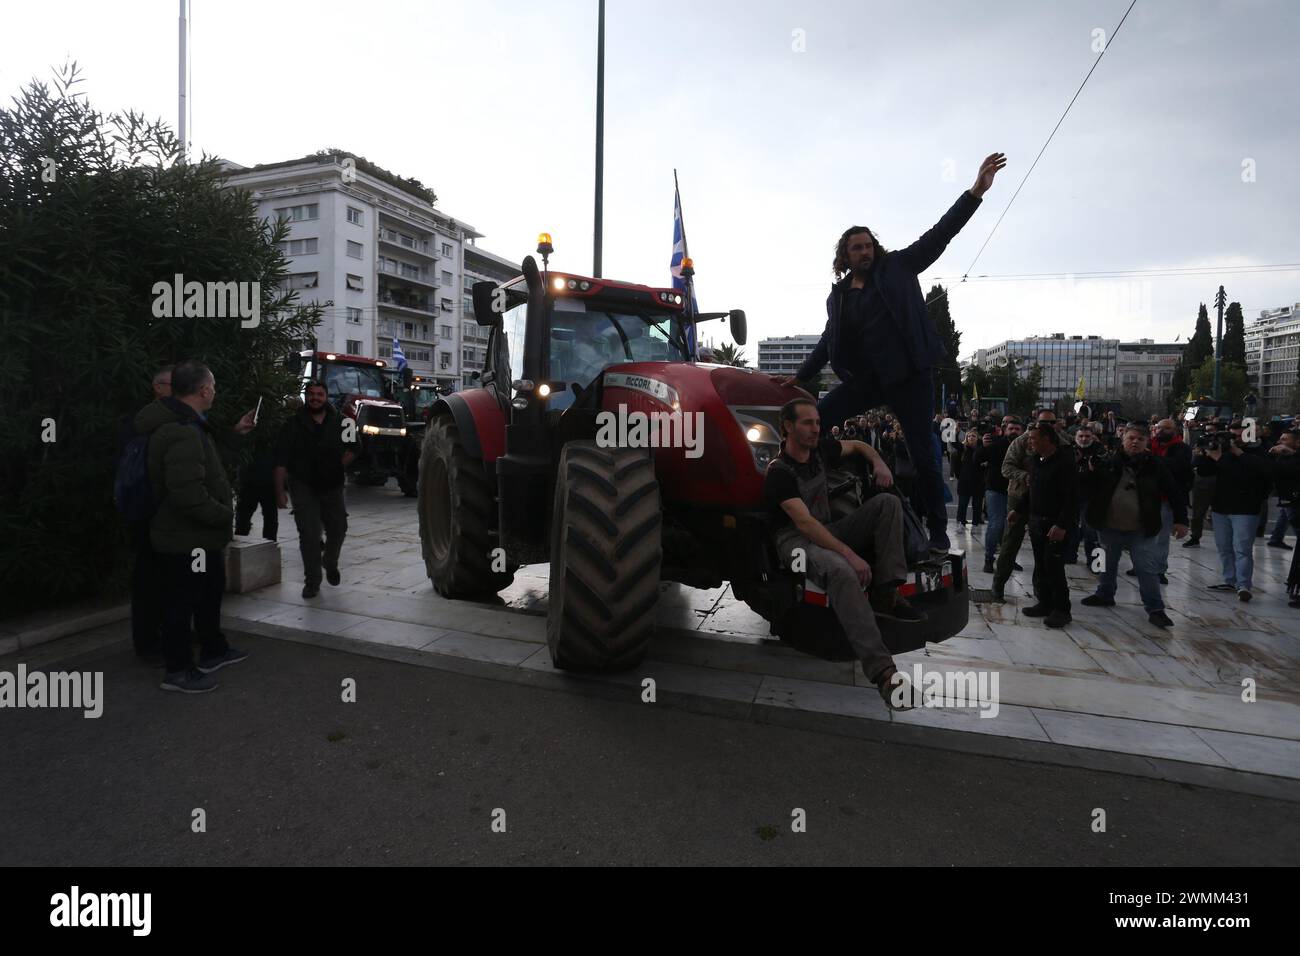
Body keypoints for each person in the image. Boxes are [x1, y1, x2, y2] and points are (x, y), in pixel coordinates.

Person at [774, 153, 1007, 552]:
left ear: (875, 248)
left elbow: (940, 234)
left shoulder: (898, 266)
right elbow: (829, 340)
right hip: (866, 380)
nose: (863, 252)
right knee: (817, 418)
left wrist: (975, 192)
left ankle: (936, 529)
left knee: (924, 455)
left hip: (909, 376)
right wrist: (801, 376)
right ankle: (804, 489)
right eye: (855, 248)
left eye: (867, 245)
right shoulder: (841, 296)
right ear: (844, 256)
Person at [765, 397, 924, 711]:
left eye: (817, 422)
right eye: (807, 423)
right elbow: (806, 524)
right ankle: (884, 674)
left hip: (825, 529)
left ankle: (887, 592)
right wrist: (850, 554)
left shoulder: (820, 450)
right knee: (840, 569)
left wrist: (878, 462)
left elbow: (860, 447)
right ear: (787, 427)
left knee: (887, 504)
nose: (816, 429)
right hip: (795, 542)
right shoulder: (778, 473)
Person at [134, 361, 251, 692]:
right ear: (203, 390)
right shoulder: (181, 431)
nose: (214, 391)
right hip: (185, 537)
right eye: (212, 386)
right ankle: (178, 670)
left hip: (197, 537)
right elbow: (186, 494)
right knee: (180, 603)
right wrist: (221, 514)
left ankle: (213, 649)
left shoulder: (190, 424)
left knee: (207, 592)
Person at [1080, 425, 1188, 627]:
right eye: (1131, 438)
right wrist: (1090, 471)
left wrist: (1181, 521)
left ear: (1147, 442)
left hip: (1142, 528)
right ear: (1123, 439)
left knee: (1146, 569)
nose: (1135, 442)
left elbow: (1174, 492)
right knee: (1104, 563)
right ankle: (1104, 593)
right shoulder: (1109, 461)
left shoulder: (1156, 465)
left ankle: (1155, 608)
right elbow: (1089, 487)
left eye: (1140, 439)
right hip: (1108, 524)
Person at [275, 381, 354, 598]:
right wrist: (280, 492)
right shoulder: (291, 424)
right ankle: (312, 581)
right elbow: (281, 461)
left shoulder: (343, 422)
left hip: (332, 485)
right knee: (309, 535)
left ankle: (329, 561)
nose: (315, 398)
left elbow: (354, 448)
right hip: (303, 485)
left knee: (338, 529)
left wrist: (338, 466)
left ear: (326, 397)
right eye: (311, 394)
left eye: (320, 394)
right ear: (306, 396)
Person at [116, 365, 172, 663]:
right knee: (149, 578)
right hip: (147, 510)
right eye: (173, 384)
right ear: (158, 387)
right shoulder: (144, 422)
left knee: (162, 577)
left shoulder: (161, 421)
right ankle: (148, 640)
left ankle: (161, 632)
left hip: (157, 511)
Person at [1198, 420, 1272, 601]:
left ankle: (1243, 584)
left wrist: (1224, 457)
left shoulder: (1258, 452)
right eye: (1232, 435)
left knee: (1242, 549)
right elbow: (1203, 472)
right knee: (1224, 547)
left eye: (1240, 435)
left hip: (1246, 508)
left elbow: (1245, 474)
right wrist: (1205, 454)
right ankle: (1230, 579)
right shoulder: (1221, 452)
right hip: (1221, 507)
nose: (1235, 439)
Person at [991, 409, 1058, 603]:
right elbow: (1006, 467)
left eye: (1052, 423)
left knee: (1044, 544)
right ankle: (998, 583)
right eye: (1044, 423)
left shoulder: (1062, 443)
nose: (1048, 426)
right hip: (1020, 495)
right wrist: (1027, 476)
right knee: (1011, 540)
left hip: (1047, 498)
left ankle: (1041, 589)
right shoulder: (1022, 441)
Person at [1023, 423, 1077, 627]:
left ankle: (1062, 609)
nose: (1029, 442)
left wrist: (1062, 525)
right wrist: (1019, 510)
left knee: (1053, 566)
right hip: (1037, 521)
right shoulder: (1035, 461)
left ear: (1046, 439)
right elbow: (1032, 490)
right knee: (1041, 565)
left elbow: (1071, 497)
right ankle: (1044, 603)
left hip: (1055, 523)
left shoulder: (1064, 462)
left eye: (1033, 438)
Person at [1144, 417, 1193, 583]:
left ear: (1174, 430)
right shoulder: (1150, 445)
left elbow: (1177, 466)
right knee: (1144, 536)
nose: (1161, 431)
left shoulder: (1181, 448)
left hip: (1166, 498)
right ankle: (1143, 565)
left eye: (1166, 428)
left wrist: (1152, 459)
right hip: (1148, 496)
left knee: (1161, 537)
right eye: (1159, 427)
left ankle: (1159, 570)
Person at [975, 416, 1022, 573]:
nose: (1014, 431)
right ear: (1004, 430)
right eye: (1011, 428)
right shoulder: (996, 444)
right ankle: (989, 558)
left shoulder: (1025, 446)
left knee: (1013, 528)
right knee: (996, 523)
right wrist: (983, 446)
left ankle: (1008, 558)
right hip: (996, 488)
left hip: (1017, 491)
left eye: (1017, 429)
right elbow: (978, 458)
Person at [1067, 425, 1105, 567]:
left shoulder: (1100, 451)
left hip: (1092, 496)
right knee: (1071, 527)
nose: (1083, 439)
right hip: (1072, 495)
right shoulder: (1069, 451)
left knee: (1091, 532)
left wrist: (1094, 469)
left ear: (1092, 437)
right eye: (1081, 436)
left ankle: (1096, 563)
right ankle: (1070, 555)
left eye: (1087, 436)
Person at [1184, 420, 1221, 547]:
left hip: (1218, 477)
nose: (1208, 433)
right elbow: (1194, 460)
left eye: (1211, 430)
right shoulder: (1201, 441)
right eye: (1207, 430)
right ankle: (1195, 536)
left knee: (1219, 512)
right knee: (1198, 511)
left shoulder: (1221, 443)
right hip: (1202, 477)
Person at [1268, 428, 1300, 549]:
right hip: (1288, 499)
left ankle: (1276, 537)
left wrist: (1293, 454)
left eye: (1285, 439)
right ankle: (1276, 537)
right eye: (1281, 439)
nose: (1280, 442)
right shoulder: (1282, 456)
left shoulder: (1292, 457)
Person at [955, 430, 985, 528]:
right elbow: (954, 443)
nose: (971, 438)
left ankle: (975, 523)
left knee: (977, 505)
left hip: (978, 482)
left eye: (973, 436)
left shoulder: (982, 450)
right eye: (969, 436)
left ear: (977, 438)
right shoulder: (963, 449)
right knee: (962, 503)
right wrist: (955, 433)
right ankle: (961, 521)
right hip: (964, 481)